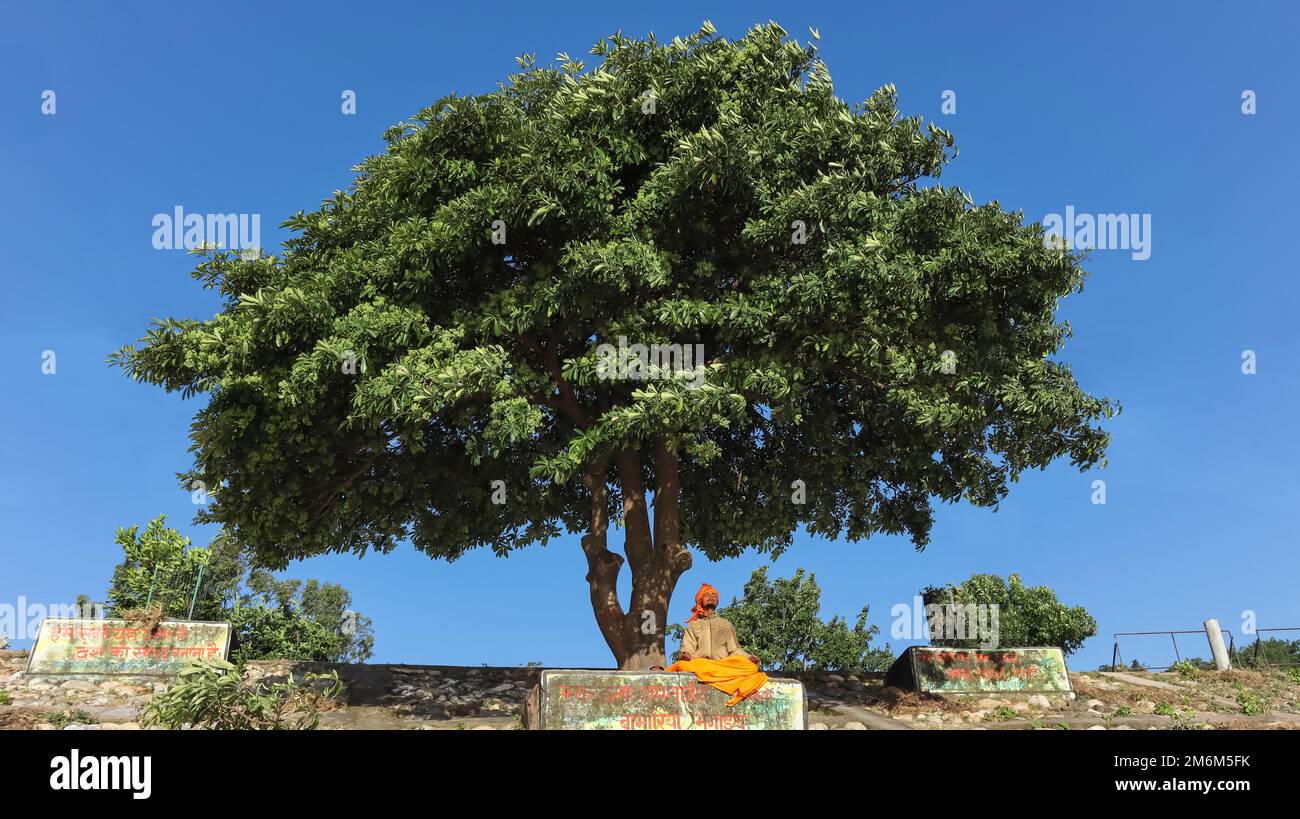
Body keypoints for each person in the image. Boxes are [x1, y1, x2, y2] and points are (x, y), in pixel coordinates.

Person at [679, 582, 759, 664]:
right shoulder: (693, 625)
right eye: (706, 595)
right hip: (701, 665)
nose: (711, 597)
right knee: (680, 666)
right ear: (700, 601)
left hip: (723, 666)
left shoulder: (726, 624)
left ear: (717, 602)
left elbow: (734, 650)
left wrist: (748, 657)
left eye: (714, 595)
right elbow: (688, 647)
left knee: (750, 669)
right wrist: (687, 654)